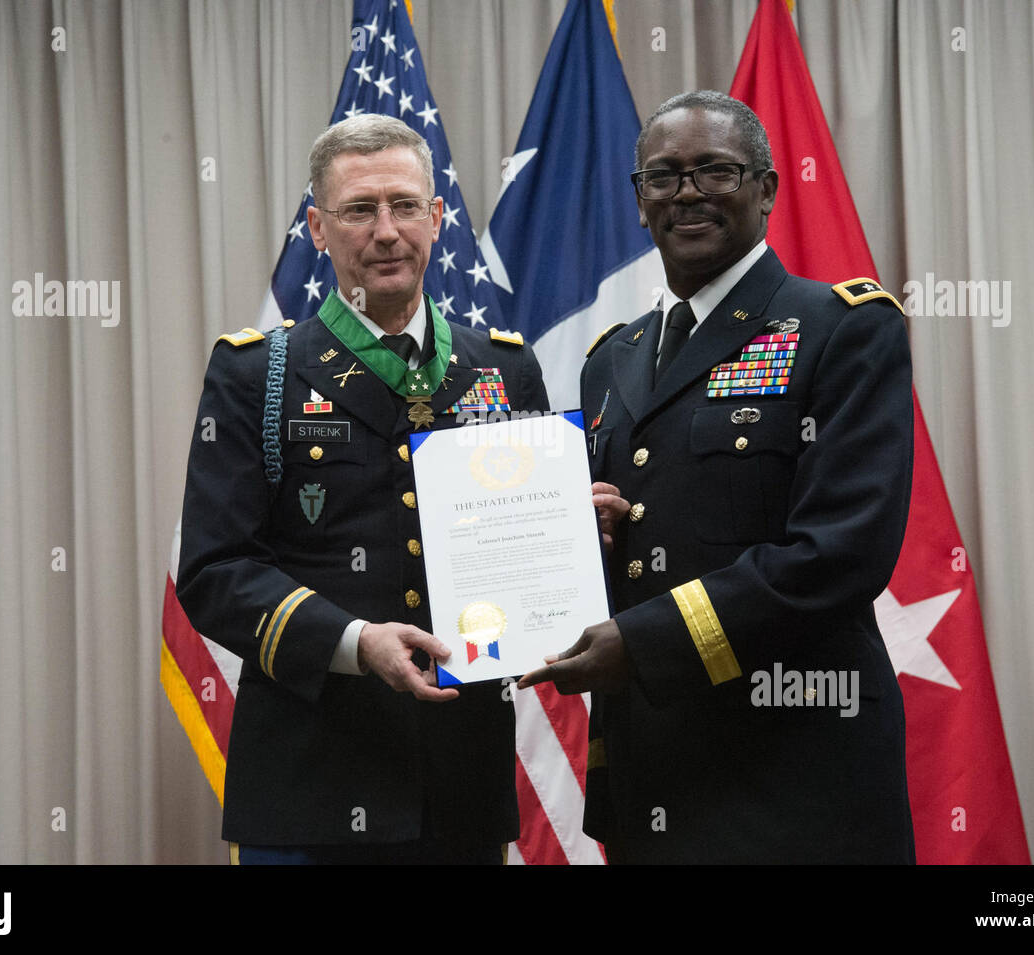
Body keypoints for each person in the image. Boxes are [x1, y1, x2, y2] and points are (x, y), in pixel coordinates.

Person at [519, 91, 916, 863]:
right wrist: (577, 537)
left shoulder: (843, 329)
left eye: (716, 171)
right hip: (652, 775)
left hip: (795, 772)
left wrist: (639, 642)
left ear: (766, 188)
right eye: (664, 176)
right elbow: (633, 551)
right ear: (640, 202)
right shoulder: (611, 358)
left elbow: (839, 554)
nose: (689, 192)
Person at [176, 114, 549, 863]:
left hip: (461, 796)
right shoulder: (258, 374)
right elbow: (215, 574)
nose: (386, 231)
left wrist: (577, 532)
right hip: (309, 789)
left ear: (437, 218)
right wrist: (354, 643)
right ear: (317, 228)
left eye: (406, 205)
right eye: (359, 210)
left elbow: (535, 561)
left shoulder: (505, 370)